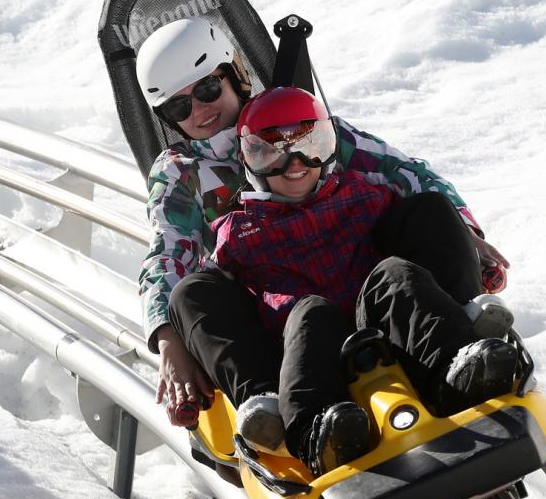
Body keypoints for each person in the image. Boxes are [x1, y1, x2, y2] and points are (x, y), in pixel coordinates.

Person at [133, 17, 510, 427]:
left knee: (428, 208)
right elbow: (169, 253)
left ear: (233, 74)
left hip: (370, 288)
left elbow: (404, 172)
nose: (200, 110)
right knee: (193, 292)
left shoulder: (298, 121)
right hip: (280, 317)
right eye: (179, 105)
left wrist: (464, 231)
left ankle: (460, 336)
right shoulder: (182, 171)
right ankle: (270, 409)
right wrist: (168, 339)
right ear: (166, 117)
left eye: (207, 88)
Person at [207, 86, 518, 476]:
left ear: (330, 143)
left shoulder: (364, 192)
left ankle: (457, 365)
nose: (294, 163)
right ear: (249, 161)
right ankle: (317, 431)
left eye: (310, 144)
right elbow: (211, 302)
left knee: (393, 273)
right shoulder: (237, 232)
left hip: (383, 330)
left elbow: (422, 209)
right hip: (307, 351)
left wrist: (464, 237)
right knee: (310, 312)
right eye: (270, 151)